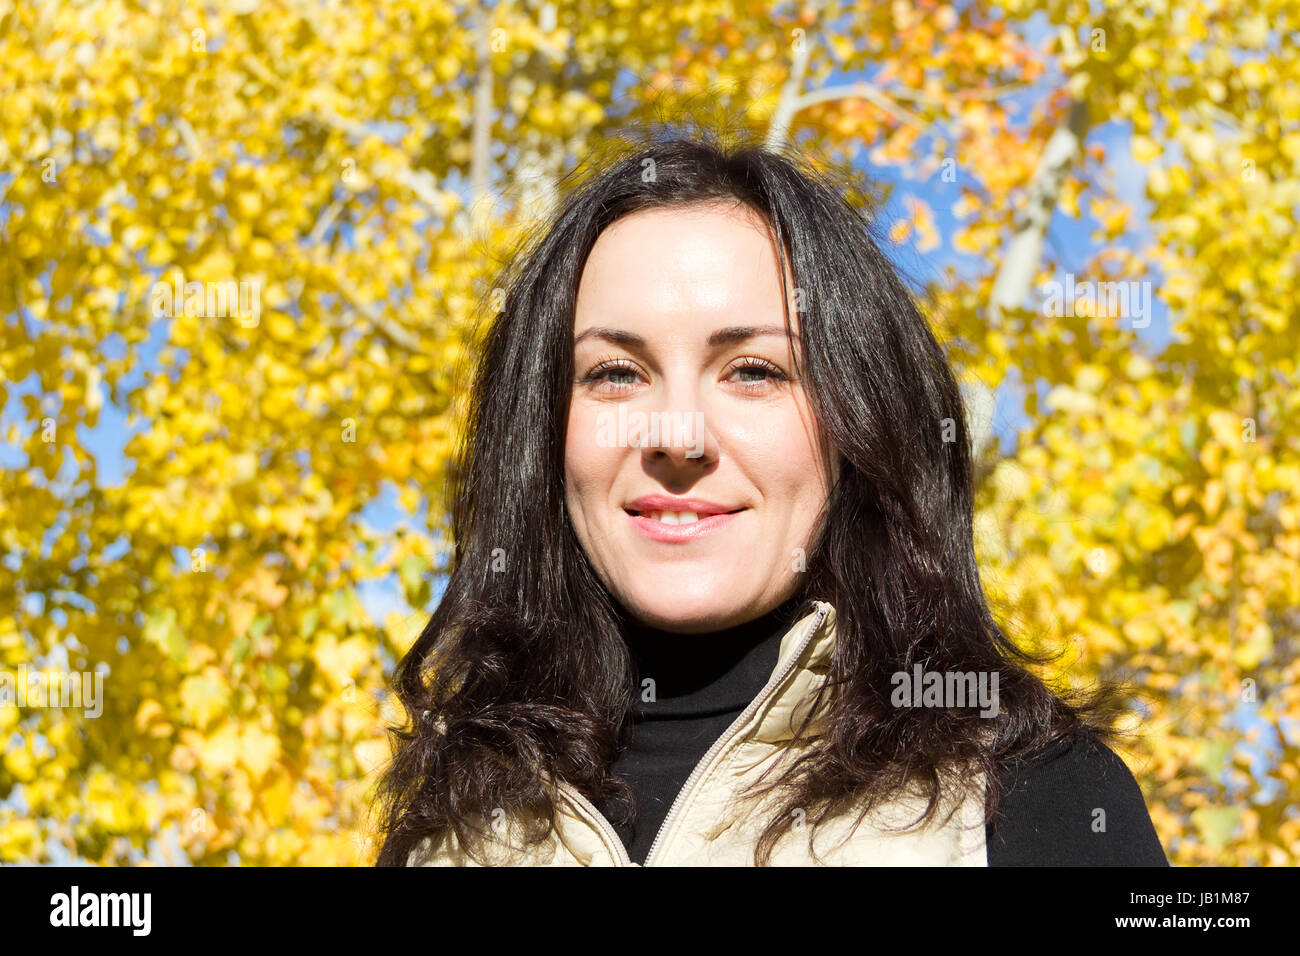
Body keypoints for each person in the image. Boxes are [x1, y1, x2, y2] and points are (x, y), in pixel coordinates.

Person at [372, 129, 1169, 866]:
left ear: (859, 420)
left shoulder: (1036, 802)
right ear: (544, 431)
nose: (679, 436)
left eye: (754, 371)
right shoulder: (445, 828)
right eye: (616, 373)